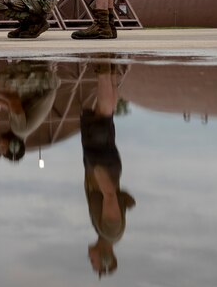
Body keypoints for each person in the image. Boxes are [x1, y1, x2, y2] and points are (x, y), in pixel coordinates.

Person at [80, 59, 135, 276]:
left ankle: (109, 70)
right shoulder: (110, 232)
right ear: (103, 257)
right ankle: (104, 69)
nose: (89, 258)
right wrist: (97, 169)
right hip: (102, 165)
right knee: (103, 116)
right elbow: (110, 196)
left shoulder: (111, 234)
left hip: (106, 164)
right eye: (93, 262)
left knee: (105, 116)